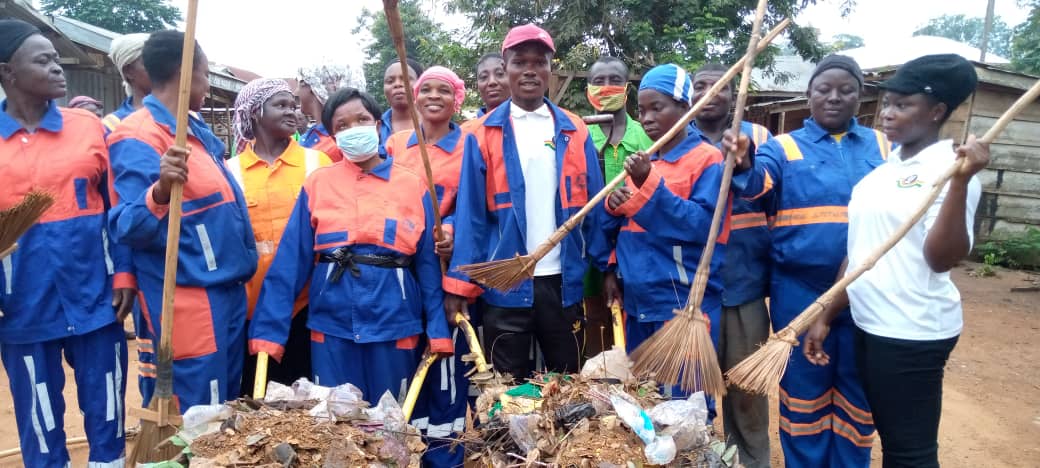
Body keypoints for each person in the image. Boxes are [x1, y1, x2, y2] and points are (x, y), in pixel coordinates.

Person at [803, 54, 983, 468]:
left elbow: (942, 258)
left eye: (903, 105)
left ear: (937, 111)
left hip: (910, 331)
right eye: (887, 103)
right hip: (871, 325)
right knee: (890, 436)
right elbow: (859, 252)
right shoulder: (886, 170)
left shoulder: (949, 167)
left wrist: (960, 183)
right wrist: (825, 314)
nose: (887, 113)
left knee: (909, 452)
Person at [724, 54, 891, 467]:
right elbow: (755, 184)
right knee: (803, 390)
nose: (833, 98)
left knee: (856, 391)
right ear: (809, 95)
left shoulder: (882, 145)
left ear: (860, 96)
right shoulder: (783, 147)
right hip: (798, 292)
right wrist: (743, 159)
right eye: (823, 90)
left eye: (845, 90)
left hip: (863, 291)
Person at [248, 87, 452, 400]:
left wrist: (437, 329)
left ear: (378, 125)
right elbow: (290, 264)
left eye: (361, 120)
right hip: (331, 326)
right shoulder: (318, 184)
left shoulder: (412, 184)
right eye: (342, 126)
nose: (353, 129)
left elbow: (427, 266)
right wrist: (267, 332)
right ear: (331, 135)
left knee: (390, 421)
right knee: (333, 423)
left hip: (395, 322)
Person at [0, 19, 131, 467]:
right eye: (44, 60)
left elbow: (119, 209)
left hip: (95, 298)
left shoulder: (89, 129)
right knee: (37, 415)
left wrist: (125, 274)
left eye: (57, 59)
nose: (58, 68)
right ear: (8, 72)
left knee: (108, 407)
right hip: (21, 306)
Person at [444, 24, 607, 381]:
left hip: (562, 282)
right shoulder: (483, 133)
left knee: (567, 387)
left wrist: (609, 269)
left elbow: (593, 208)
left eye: (540, 61)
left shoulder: (573, 129)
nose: (530, 69)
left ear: (551, 69)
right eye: (520, 62)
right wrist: (458, 285)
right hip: (505, 282)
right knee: (507, 390)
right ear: (507, 70)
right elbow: (471, 216)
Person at [108, 30, 258, 411]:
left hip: (226, 289)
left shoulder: (196, 133)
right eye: (206, 74)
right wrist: (158, 191)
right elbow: (128, 226)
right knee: (196, 411)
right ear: (186, 73)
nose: (208, 85)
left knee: (226, 404)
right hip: (189, 299)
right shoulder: (140, 135)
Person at [596, 63, 727, 397]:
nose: (648, 118)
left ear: (686, 107)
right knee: (645, 398)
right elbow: (624, 226)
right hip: (639, 301)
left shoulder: (706, 159)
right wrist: (612, 209)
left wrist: (646, 182)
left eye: (658, 107)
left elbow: (699, 226)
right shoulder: (645, 161)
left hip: (682, 303)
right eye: (642, 110)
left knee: (686, 404)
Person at [384, 65, 469, 468]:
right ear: (415, 97)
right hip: (399, 274)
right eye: (426, 89)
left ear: (458, 100)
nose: (434, 96)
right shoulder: (396, 145)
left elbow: (475, 208)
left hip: (443, 267)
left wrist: (451, 229)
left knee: (446, 366)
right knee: (405, 364)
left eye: (444, 90)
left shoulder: (468, 147)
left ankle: (445, 457)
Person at [227, 78, 332, 397]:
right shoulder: (230, 172)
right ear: (256, 112)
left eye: (293, 104)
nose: (292, 111)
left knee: (308, 395)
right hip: (251, 307)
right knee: (255, 394)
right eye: (281, 105)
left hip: (309, 304)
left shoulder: (317, 163)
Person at [691, 62, 773, 468]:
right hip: (690, 290)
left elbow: (769, 194)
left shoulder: (758, 137)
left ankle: (751, 462)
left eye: (718, 85)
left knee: (746, 393)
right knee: (692, 392)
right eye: (699, 85)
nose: (708, 92)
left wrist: (743, 163)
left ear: (734, 94)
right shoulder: (677, 137)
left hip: (743, 284)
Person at [584, 55, 652, 354]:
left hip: (637, 249)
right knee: (594, 328)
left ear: (627, 88)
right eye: (598, 82)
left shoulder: (648, 136)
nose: (606, 87)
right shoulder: (579, 135)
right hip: (587, 251)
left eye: (614, 80)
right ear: (588, 88)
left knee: (637, 331)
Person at [103, 33, 151, 135]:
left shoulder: (186, 114)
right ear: (128, 71)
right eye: (149, 62)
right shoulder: (114, 125)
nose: (162, 68)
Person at [379, 57, 423, 144]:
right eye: (390, 81)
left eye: (405, 79)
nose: (397, 84)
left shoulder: (436, 124)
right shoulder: (376, 127)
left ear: (420, 84)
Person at [296, 73, 339, 160]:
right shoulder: (309, 136)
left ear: (313, 88)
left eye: (300, 86)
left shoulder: (339, 142)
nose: (296, 92)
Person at [474, 52, 508, 118]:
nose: (492, 82)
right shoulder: (468, 128)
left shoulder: (530, 123)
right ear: (477, 86)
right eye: (484, 77)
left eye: (500, 74)